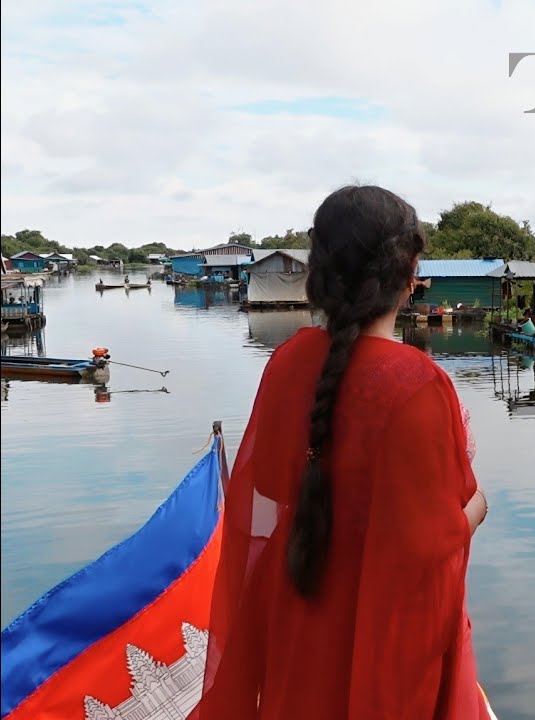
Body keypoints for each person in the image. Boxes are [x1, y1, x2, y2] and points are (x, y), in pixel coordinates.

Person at [195, 186, 490, 719]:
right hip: (379, 629)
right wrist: (477, 508)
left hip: (299, 597)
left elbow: (266, 486)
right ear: (409, 275)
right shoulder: (418, 384)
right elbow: (427, 545)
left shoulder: (285, 362)